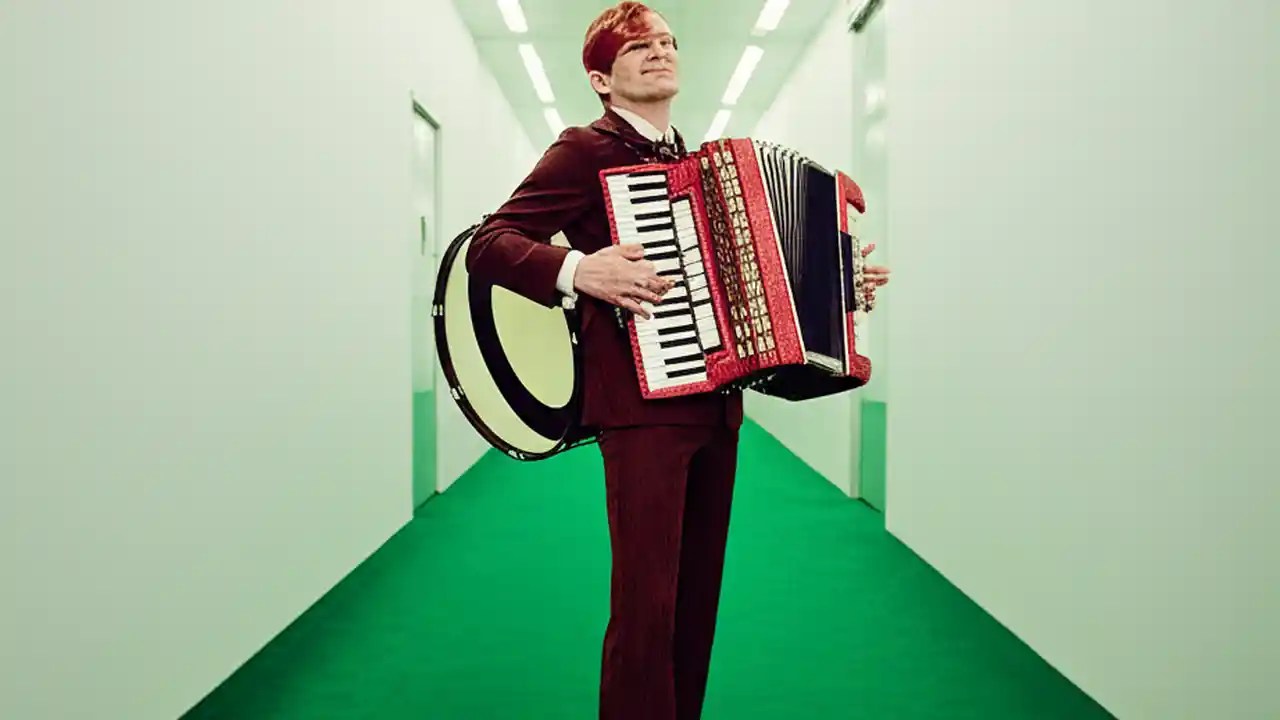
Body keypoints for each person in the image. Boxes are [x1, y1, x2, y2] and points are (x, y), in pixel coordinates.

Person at [465, 3, 890, 717]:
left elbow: (749, 282)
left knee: (695, 603)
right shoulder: (584, 150)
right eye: (637, 46)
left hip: (718, 409)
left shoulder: (701, 164)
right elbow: (490, 243)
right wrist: (579, 270)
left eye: (666, 41)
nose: (660, 51)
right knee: (645, 609)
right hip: (642, 414)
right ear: (601, 77)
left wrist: (841, 287)